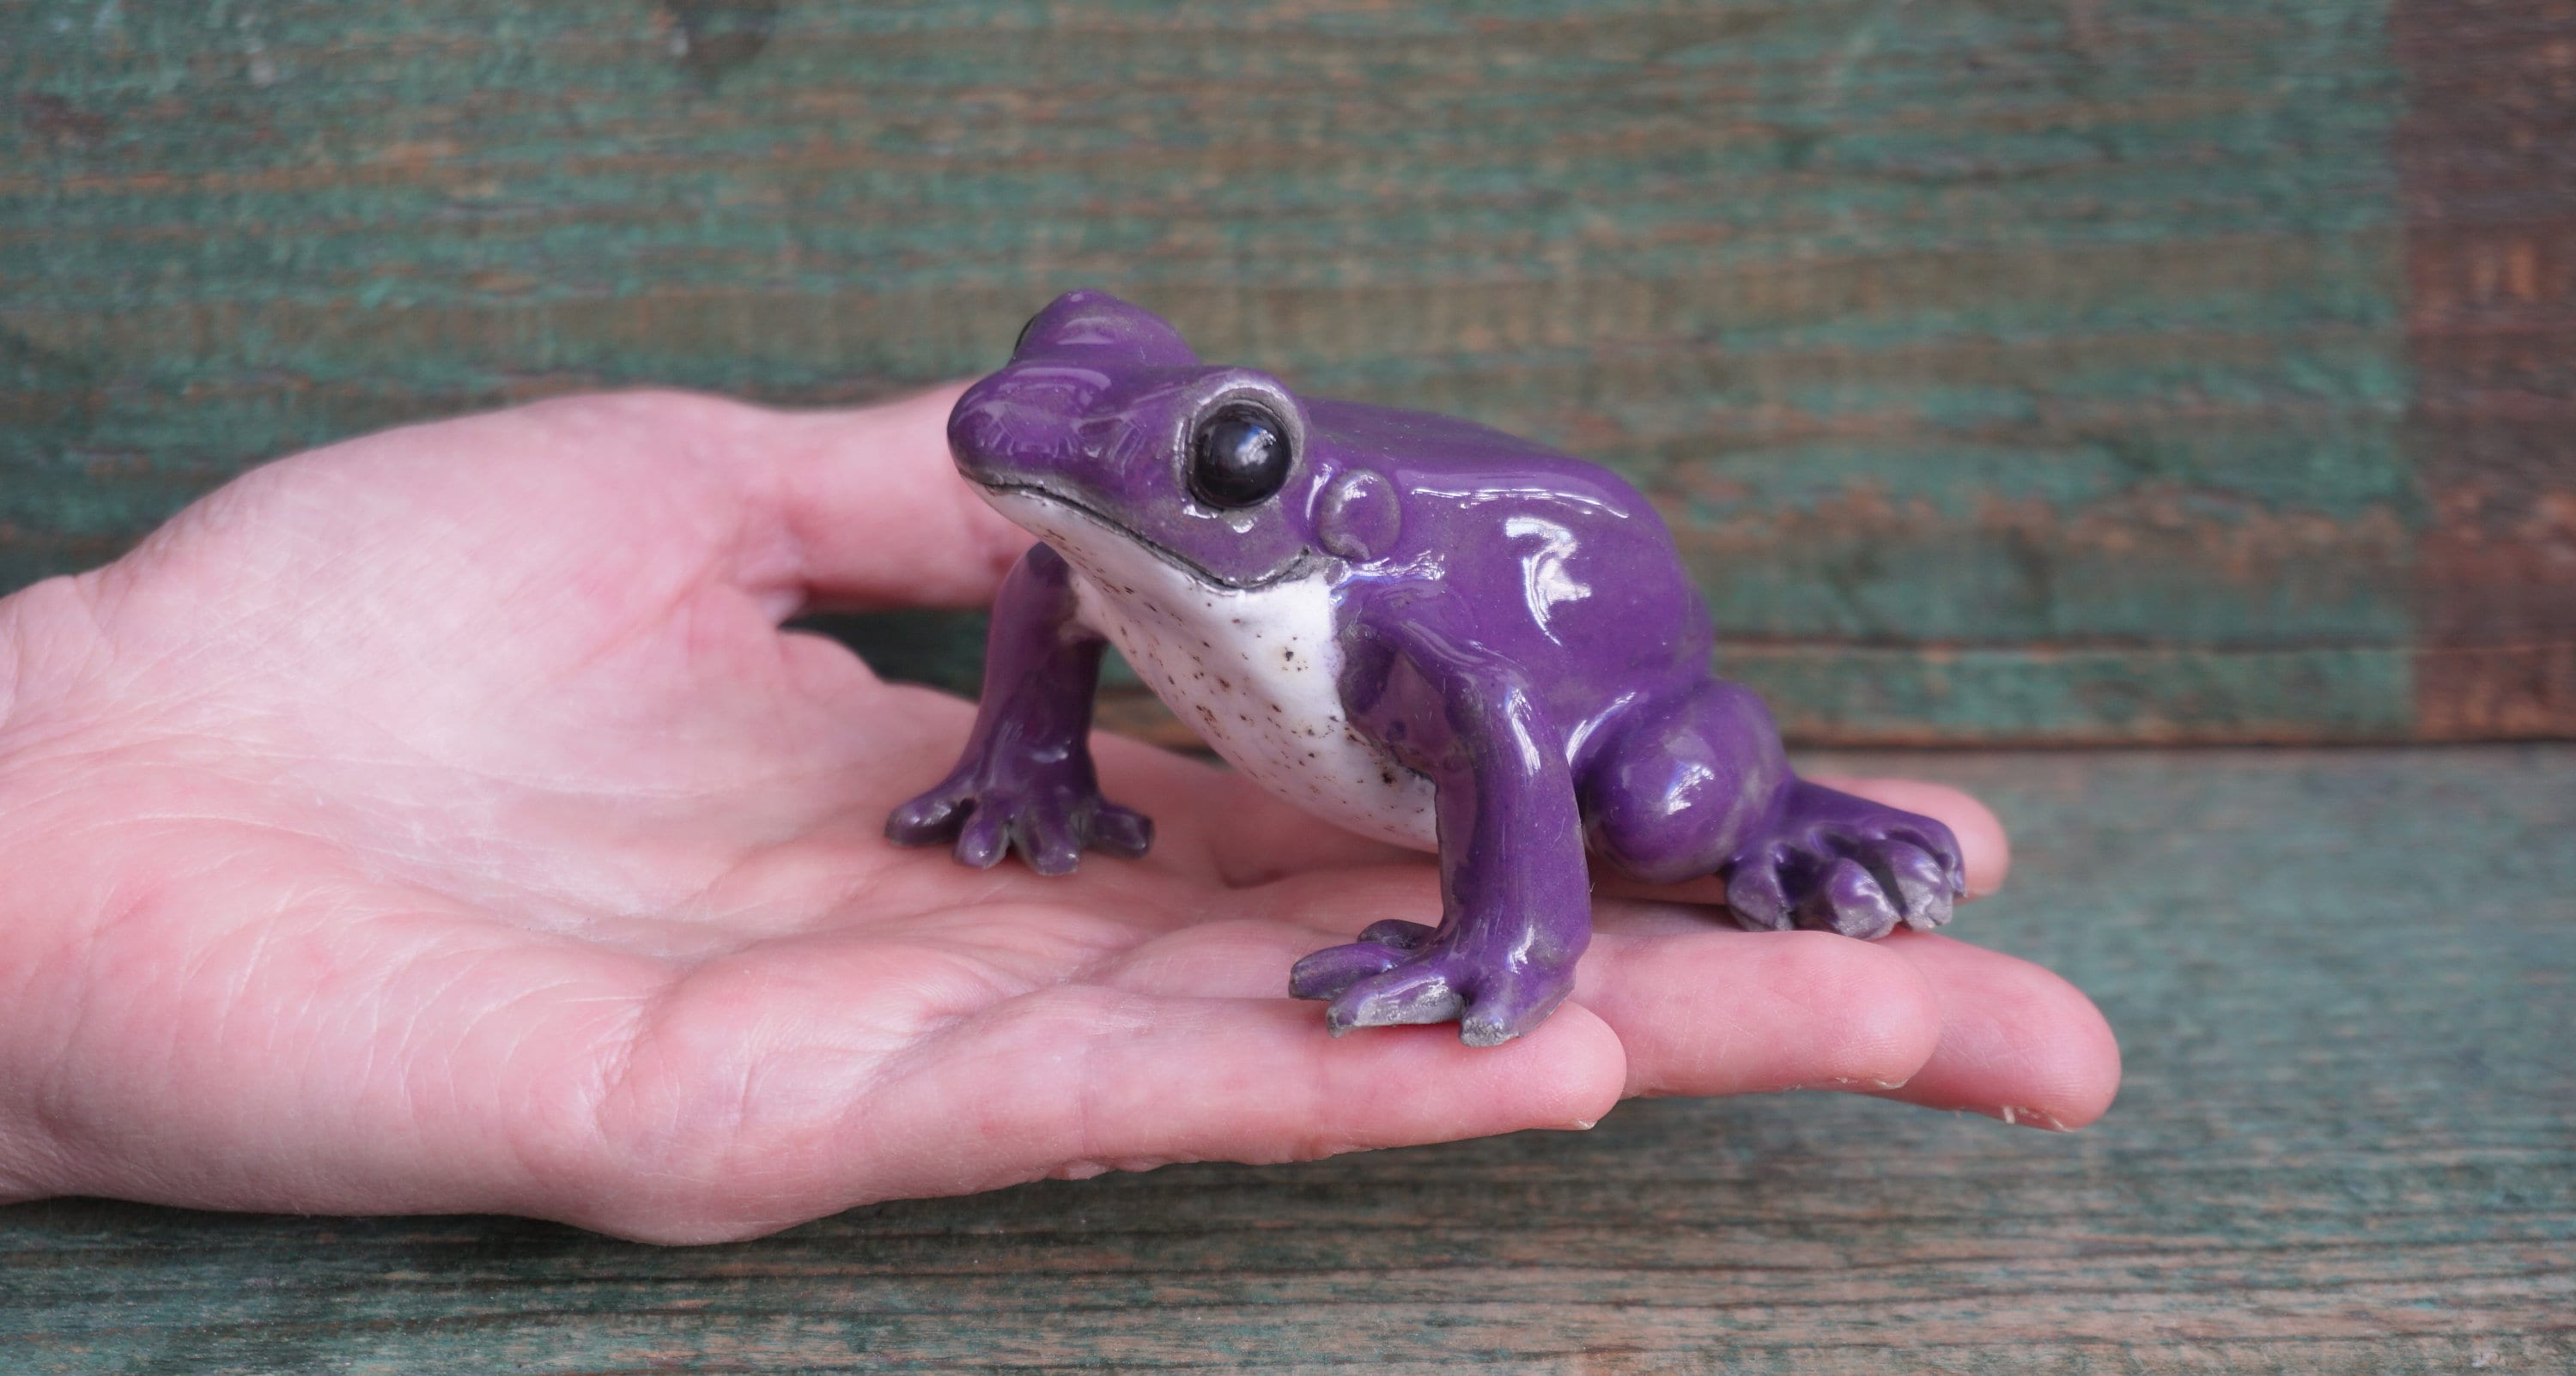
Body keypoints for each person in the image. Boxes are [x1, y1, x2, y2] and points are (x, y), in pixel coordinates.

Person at [0, 385, 2120, 1244]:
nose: (1072, 464)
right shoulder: (1101, 554)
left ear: (1277, 490)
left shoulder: (1372, 605)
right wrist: (1022, 744)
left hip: (1609, 707)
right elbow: (1050, 579)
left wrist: (1508, 934)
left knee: (1659, 792)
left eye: (1206, 454)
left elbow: (1490, 733)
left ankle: (1783, 824)